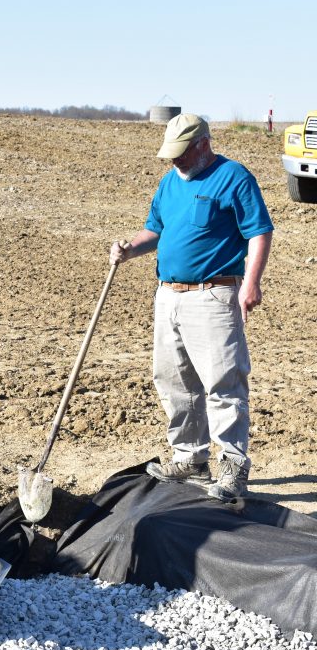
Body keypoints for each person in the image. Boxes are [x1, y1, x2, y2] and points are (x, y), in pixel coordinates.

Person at [110, 113, 273, 502]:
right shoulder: (170, 183)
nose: (175, 161)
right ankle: (190, 458)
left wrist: (251, 281)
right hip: (169, 295)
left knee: (223, 382)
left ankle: (232, 468)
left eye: (181, 153)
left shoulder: (234, 178)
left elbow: (259, 231)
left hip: (213, 295)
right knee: (173, 379)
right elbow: (156, 228)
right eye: (171, 155)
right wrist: (131, 248)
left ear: (203, 144)